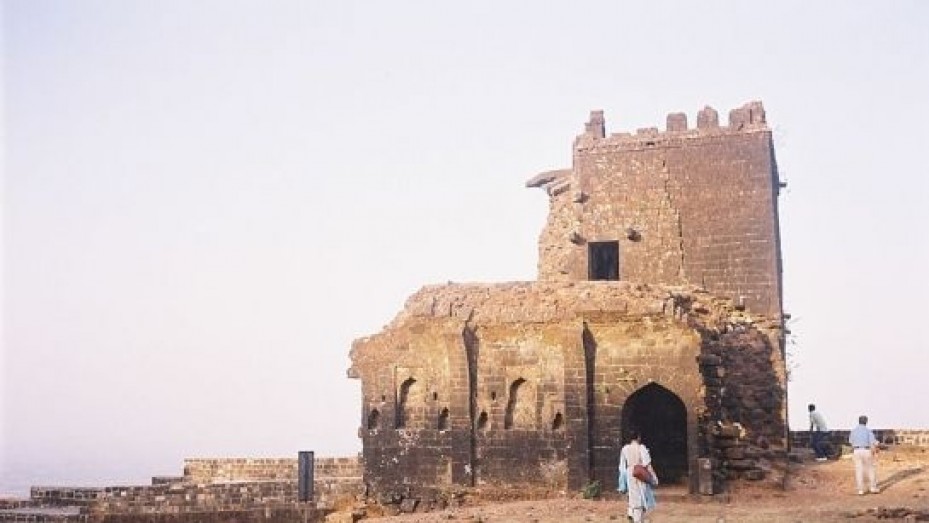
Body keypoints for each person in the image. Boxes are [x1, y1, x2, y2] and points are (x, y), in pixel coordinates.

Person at [617, 430, 657, 523]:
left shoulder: (625, 449)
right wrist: (653, 477)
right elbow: (647, 464)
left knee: (632, 496)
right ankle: (637, 519)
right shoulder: (641, 448)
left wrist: (623, 480)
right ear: (638, 437)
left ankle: (631, 513)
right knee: (641, 497)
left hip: (630, 473)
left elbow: (622, 466)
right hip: (640, 473)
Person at [848, 415, 880, 495]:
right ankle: (872, 487)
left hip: (856, 450)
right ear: (866, 422)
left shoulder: (853, 431)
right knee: (870, 469)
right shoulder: (868, 431)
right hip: (866, 450)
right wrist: (876, 448)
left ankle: (860, 490)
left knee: (859, 470)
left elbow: (851, 442)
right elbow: (873, 442)